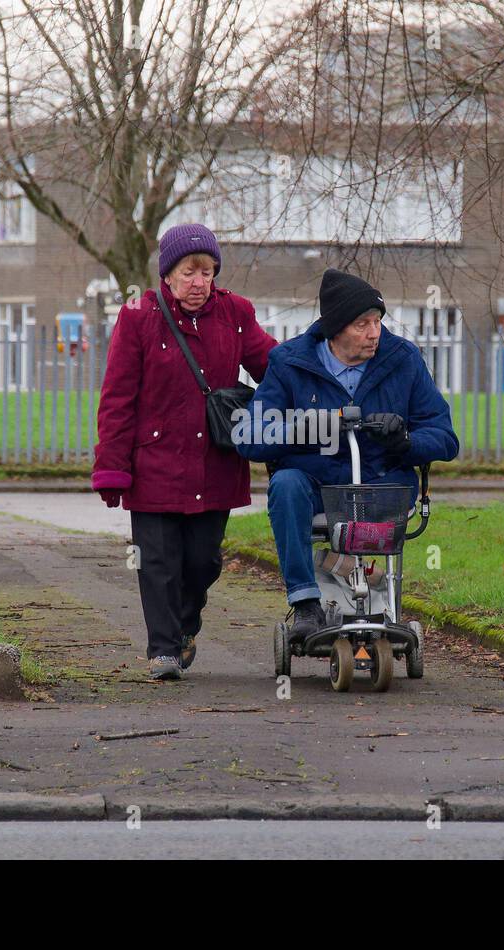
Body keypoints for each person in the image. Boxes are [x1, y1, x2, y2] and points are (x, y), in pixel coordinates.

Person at [92, 224, 277, 680]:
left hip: (215, 463)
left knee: (203, 560)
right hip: (153, 463)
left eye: (208, 272)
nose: (200, 282)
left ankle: (186, 624)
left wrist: (323, 366)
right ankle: (163, 650)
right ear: (168, 274)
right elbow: (118, 395)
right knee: (157, 561)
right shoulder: (137, 315)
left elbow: (273, 366)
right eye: (190, 271)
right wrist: (111, 466)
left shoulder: (236, 313)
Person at [236, 268, 460, 640]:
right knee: (286, 484)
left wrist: (405, 442)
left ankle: (376, 600)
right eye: (362, 324)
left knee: (383, 503)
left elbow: (444, 437)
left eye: (377, 322)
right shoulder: (289, 363)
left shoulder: (403, 359)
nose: (374, 333)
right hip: (317, 483)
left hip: (381, 483)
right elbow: (250, 436)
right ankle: (306, 603)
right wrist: (306, 427)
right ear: (335, 328)